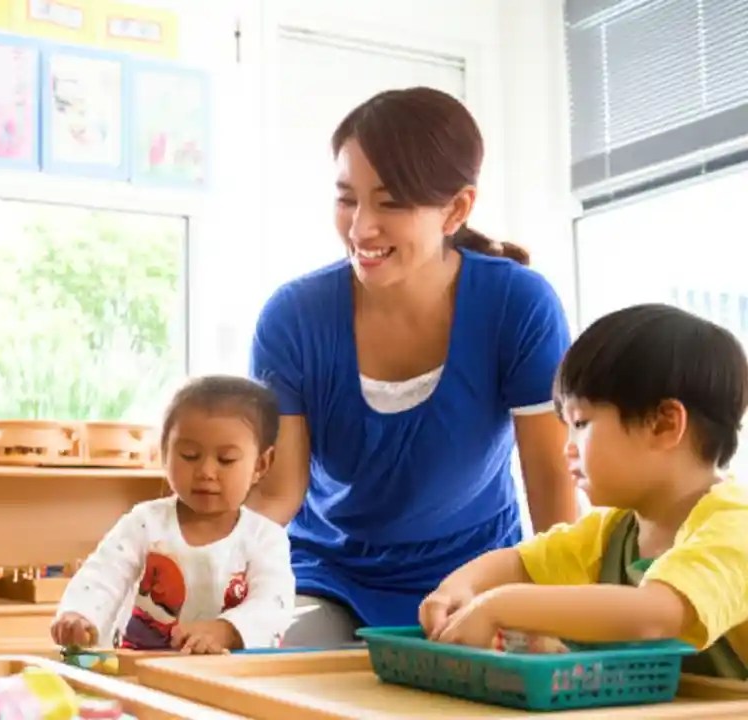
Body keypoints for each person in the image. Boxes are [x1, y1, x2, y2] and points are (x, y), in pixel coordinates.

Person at [248, 86, 578, 645]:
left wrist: (556, 615)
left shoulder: (518, 305)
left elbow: (550, 482)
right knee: (267, 671)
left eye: (391, 202)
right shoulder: (292, 317)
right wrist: (190, 557)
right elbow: (280, 492)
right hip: (326, 579)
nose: (360, 229)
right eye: (347, 198)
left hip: (474, 583)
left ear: (456, 209)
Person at [422, 304, 748, 679]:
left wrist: (501, 605)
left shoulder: (736, 525)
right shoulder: (613, 531)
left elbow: (654, 614)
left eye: (581, 423)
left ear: (664, 424)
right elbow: (519, 564)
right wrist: (455, 591)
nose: (568, 446)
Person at [51, 376, 294, 654]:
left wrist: (226, 630)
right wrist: (80, 616)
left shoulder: (266, 538)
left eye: (226, 459)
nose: (206, 472)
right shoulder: (145, 522)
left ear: (261, 465)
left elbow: (273, 603)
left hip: (229, 672)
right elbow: (104, 574)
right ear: (164, 453)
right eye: (190, 455)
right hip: (142, 666)